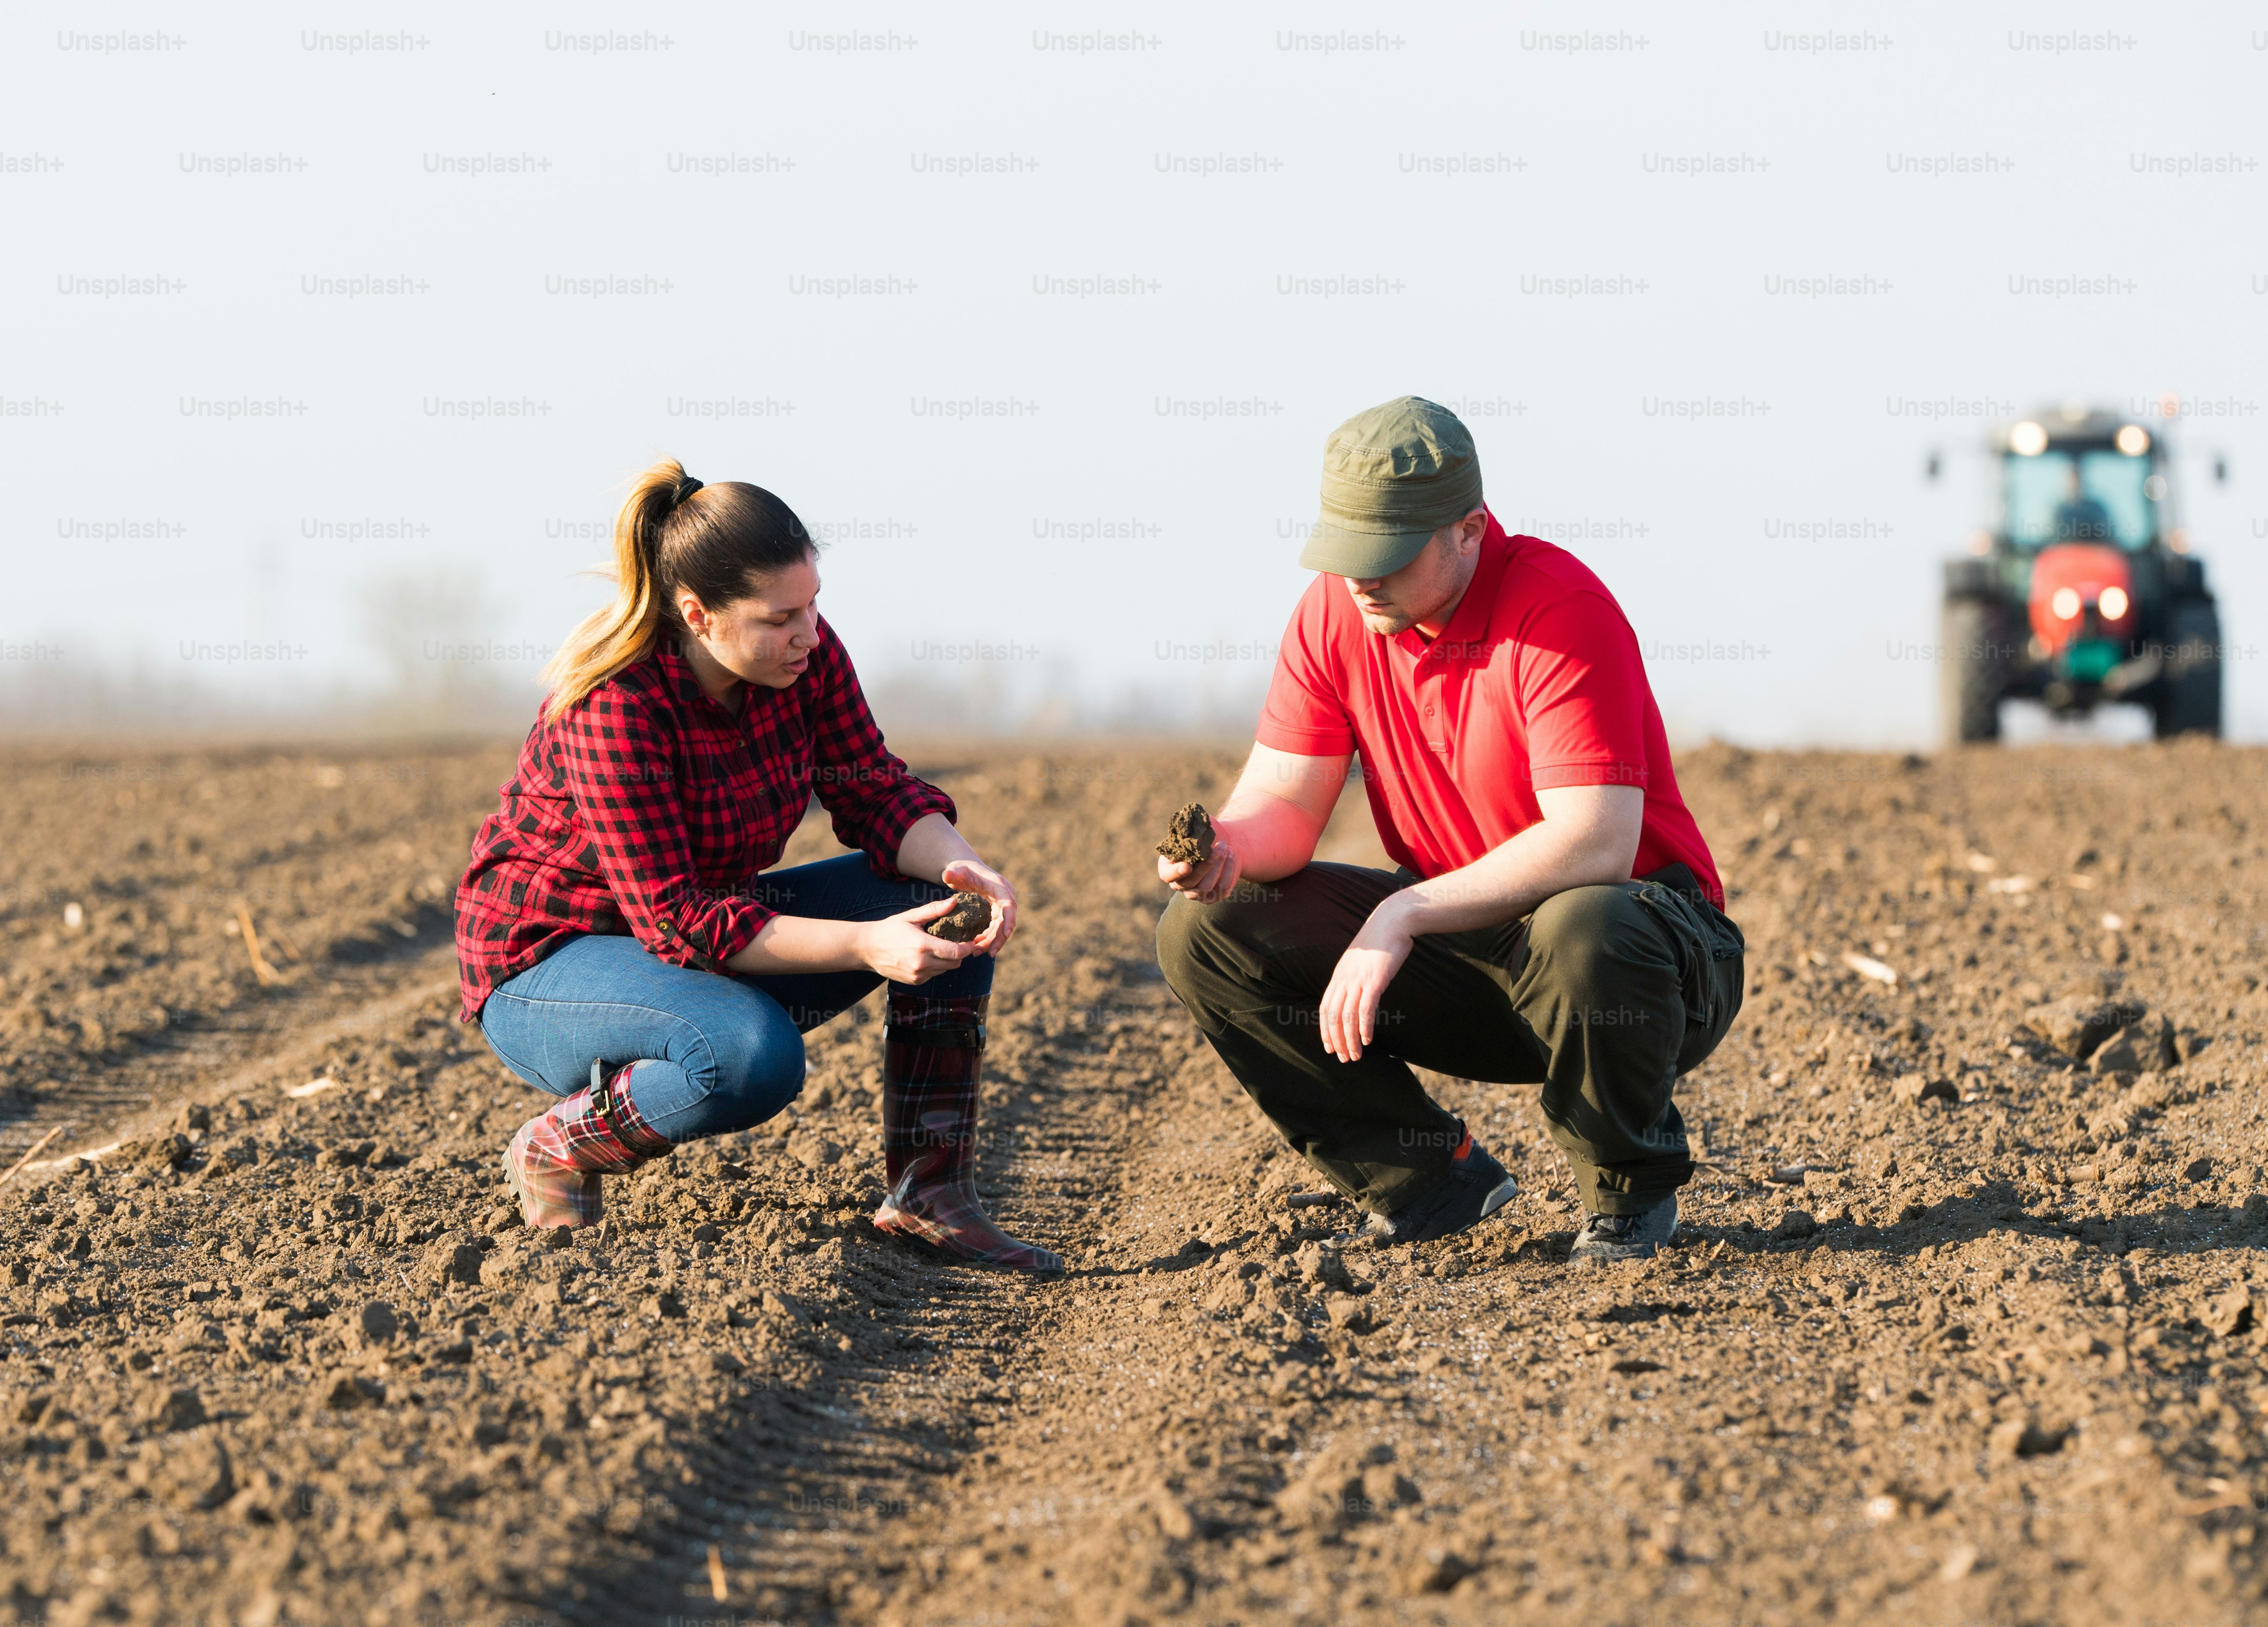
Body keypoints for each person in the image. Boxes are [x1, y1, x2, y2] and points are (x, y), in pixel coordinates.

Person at [1154, 397, 1743, 1265]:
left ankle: (1629, 1192)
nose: (1361, 580)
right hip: (1475, 953)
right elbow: (1284, 795)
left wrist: (1400, 914)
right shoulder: (1335, 614)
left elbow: (1595, 843)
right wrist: (1226, 849)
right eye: (1346, 554)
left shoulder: (1557, 608)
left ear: (1469, 531)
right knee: (1206, 930)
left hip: (1647, 963)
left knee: (1586, 923)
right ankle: (1428, 1182)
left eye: (1386, 556)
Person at [454, 459, 1060, 1275]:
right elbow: (680, 921)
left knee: (940, 900)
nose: (808, 632)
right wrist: (865, 947)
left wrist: (966, 869)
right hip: (551, 967)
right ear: (699, 616)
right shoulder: (616, 707)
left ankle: (930, 1193)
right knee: (751, 1057)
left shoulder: (798, 662)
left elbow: (874, 790)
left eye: (814, 604)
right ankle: (560, 1144)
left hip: (689, 936)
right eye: (781, 617)